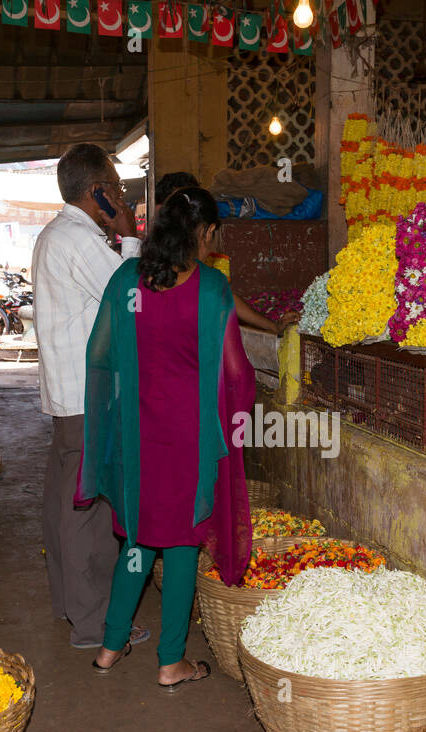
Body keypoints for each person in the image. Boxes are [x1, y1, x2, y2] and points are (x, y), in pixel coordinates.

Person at [80, 187, 255, 690]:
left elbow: (101, 354)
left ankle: (110, 647)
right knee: (181, 543)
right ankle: (171, 661)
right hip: (189, 439)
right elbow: (237, 370)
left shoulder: (126, 280)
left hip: (136, 436)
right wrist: (238, 413)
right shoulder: (211, 288)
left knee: (137, 539)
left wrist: (128, 400)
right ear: (203, 233)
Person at [33, 143, 149, 650]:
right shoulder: (79, 239)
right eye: (116, 189)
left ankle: (69, 605)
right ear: (98, 191)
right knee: (91, 512)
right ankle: (94, 623)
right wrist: (128, 235)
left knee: (65, 504)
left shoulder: (57, 234)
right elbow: (133, 298)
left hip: (69, 397)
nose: (121, 197)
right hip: (88, 398)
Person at [154, 171, 299, 333]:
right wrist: (273, 326)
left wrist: (273, 326)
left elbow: (226, 296)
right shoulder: (207, 280)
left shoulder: (137, 271)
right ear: (209, 232)